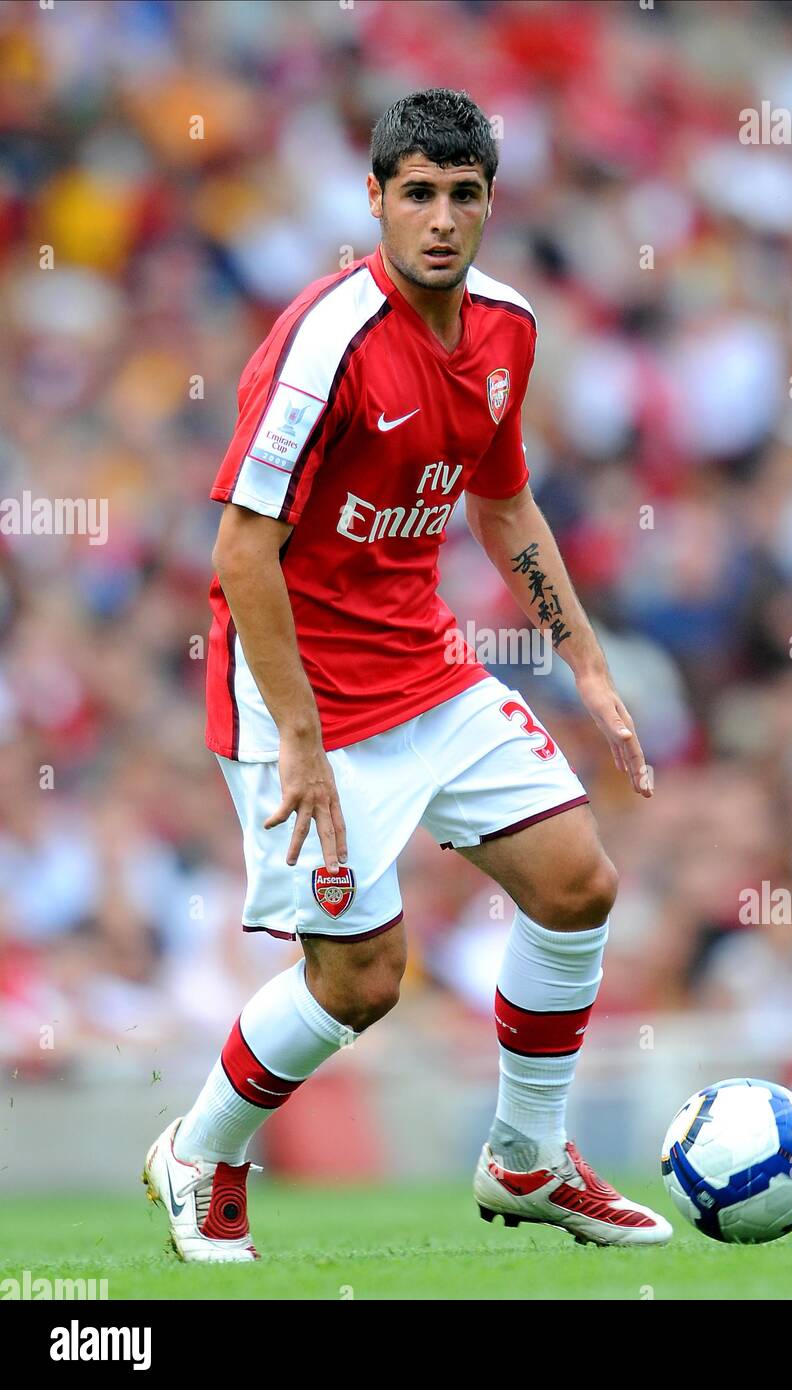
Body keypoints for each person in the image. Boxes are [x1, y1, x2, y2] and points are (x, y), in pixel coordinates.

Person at [143, 87, 671, 1260]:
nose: (440, 218)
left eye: (462, 195)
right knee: (361, 980)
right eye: (416, 194)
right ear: (374, 198)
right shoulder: (323, 343)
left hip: (426, 665)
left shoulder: (509, 329)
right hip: (301, 695)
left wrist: (584, 661)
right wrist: (298, 737)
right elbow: (240, 548)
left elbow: (503, 501)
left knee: (577, 882)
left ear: (490, 204)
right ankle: (198, 1149)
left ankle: (526, 1157)